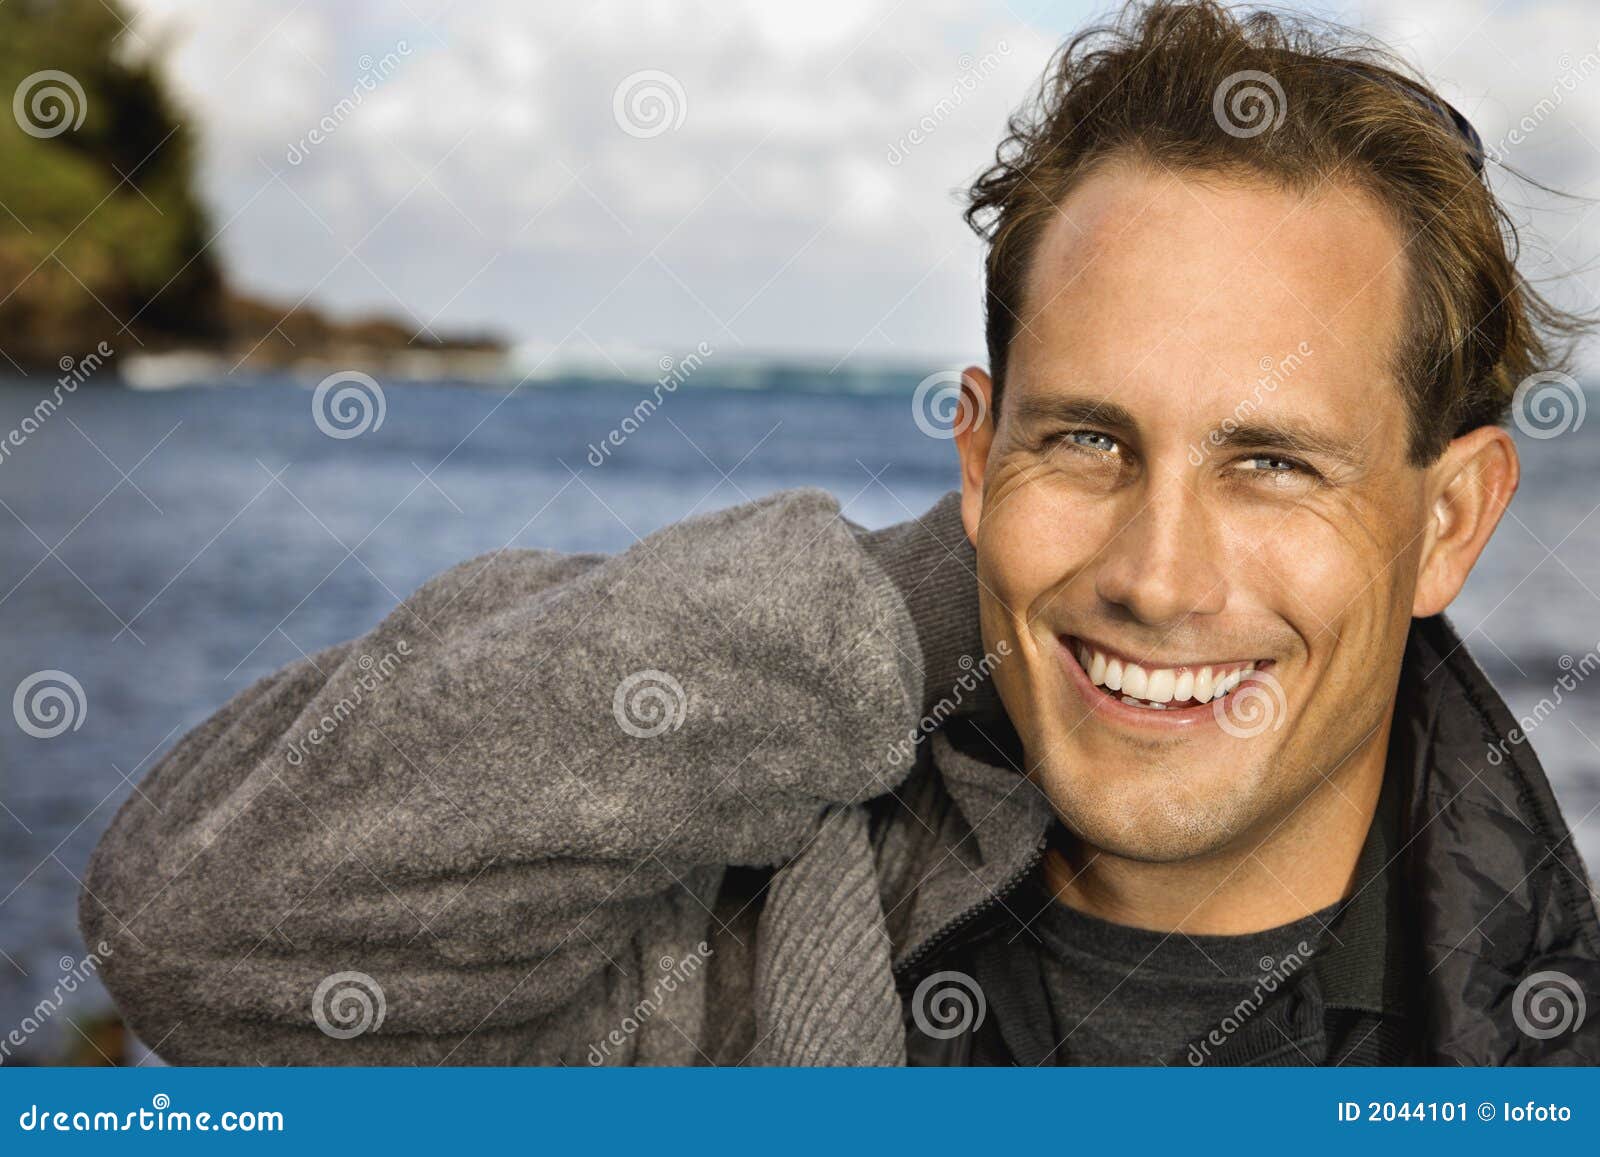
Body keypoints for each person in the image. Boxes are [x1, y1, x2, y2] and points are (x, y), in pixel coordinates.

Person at [82, 0, 1598, 1065]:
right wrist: (940, 596)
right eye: (1086, 438)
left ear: (1450, 516)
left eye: (1271, 462)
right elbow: (192, 932)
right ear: (976, 456)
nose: (1154, 573)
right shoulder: (711, 964)